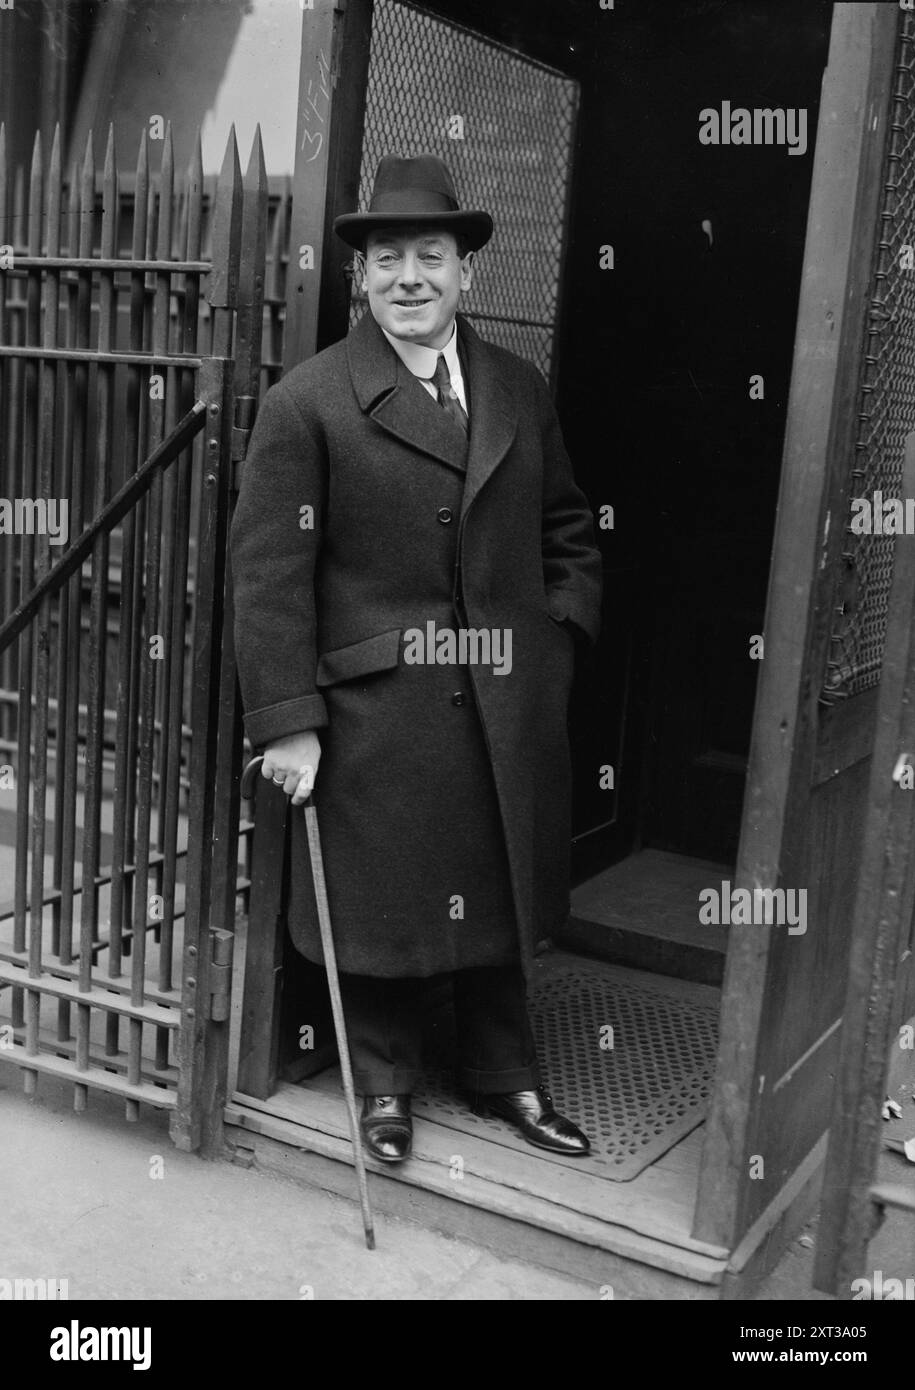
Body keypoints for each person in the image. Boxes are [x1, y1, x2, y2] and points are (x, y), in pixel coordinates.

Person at [230, 154, 602, 1163]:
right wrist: (290, 722)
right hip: (374, 710)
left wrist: (556, 639)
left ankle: (504, 1077)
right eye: (386, 258)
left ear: (464, 271)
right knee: (385, 903)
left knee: (495, 889)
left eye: (429, 256)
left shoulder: (518, 390)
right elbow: (267, 581)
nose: (408, 277)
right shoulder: (306, 403)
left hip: (504, 700)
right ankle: (384, 1090)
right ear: (359, 275)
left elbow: (567, 530)